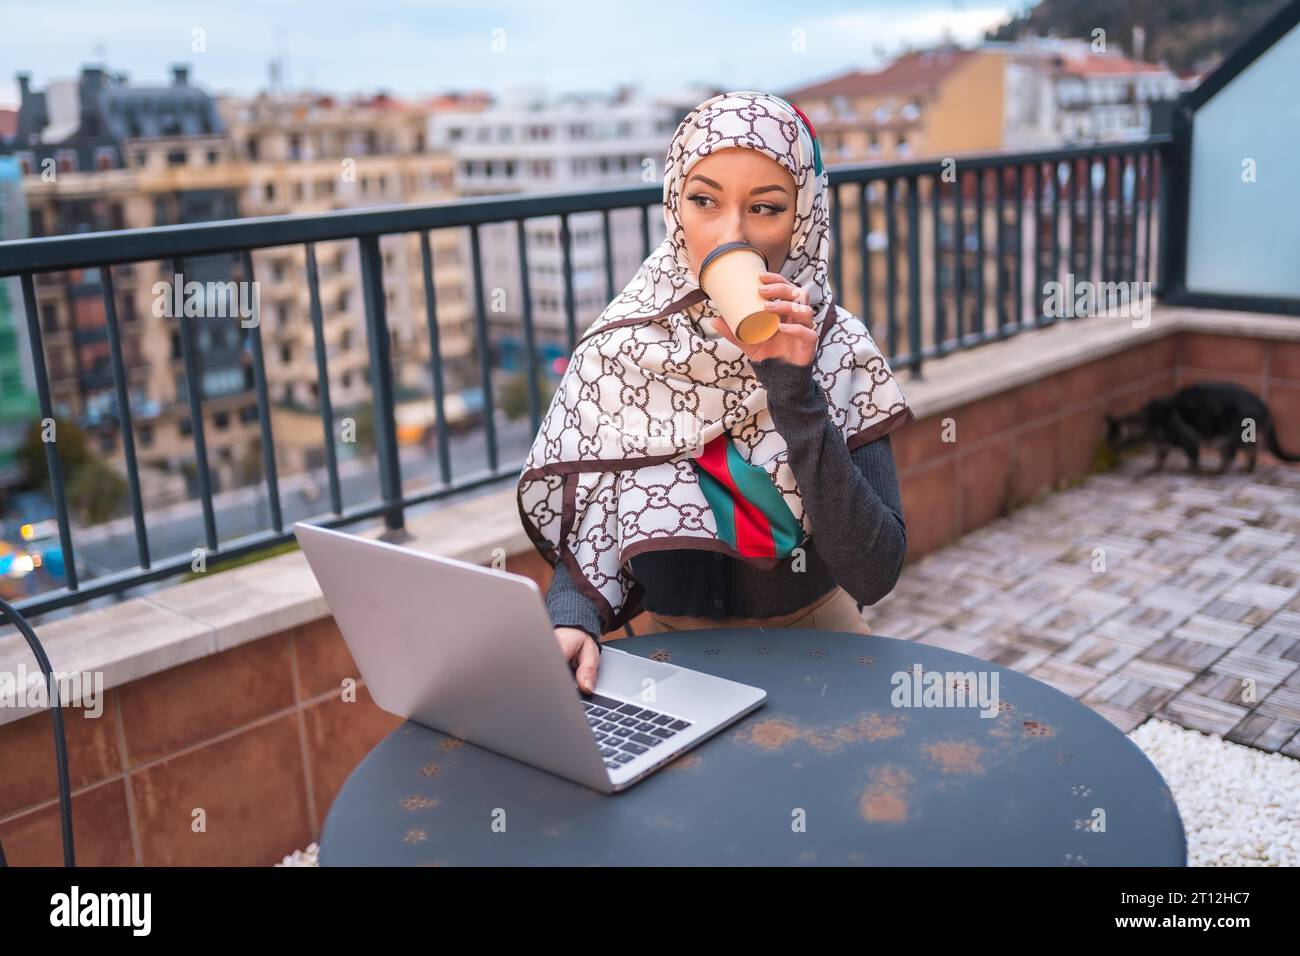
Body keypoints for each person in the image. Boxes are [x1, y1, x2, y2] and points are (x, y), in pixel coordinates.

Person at [516, 91, 914, 694]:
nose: (732, 234)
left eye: (766, 208)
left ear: (803, 220)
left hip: (816, 647)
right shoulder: (620, 349)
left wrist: (792, 386)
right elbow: (593, 520)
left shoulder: (838, 347)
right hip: (661, 655)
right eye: (704, 200)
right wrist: (572, 619)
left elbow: (875, 570)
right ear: (676, 206)